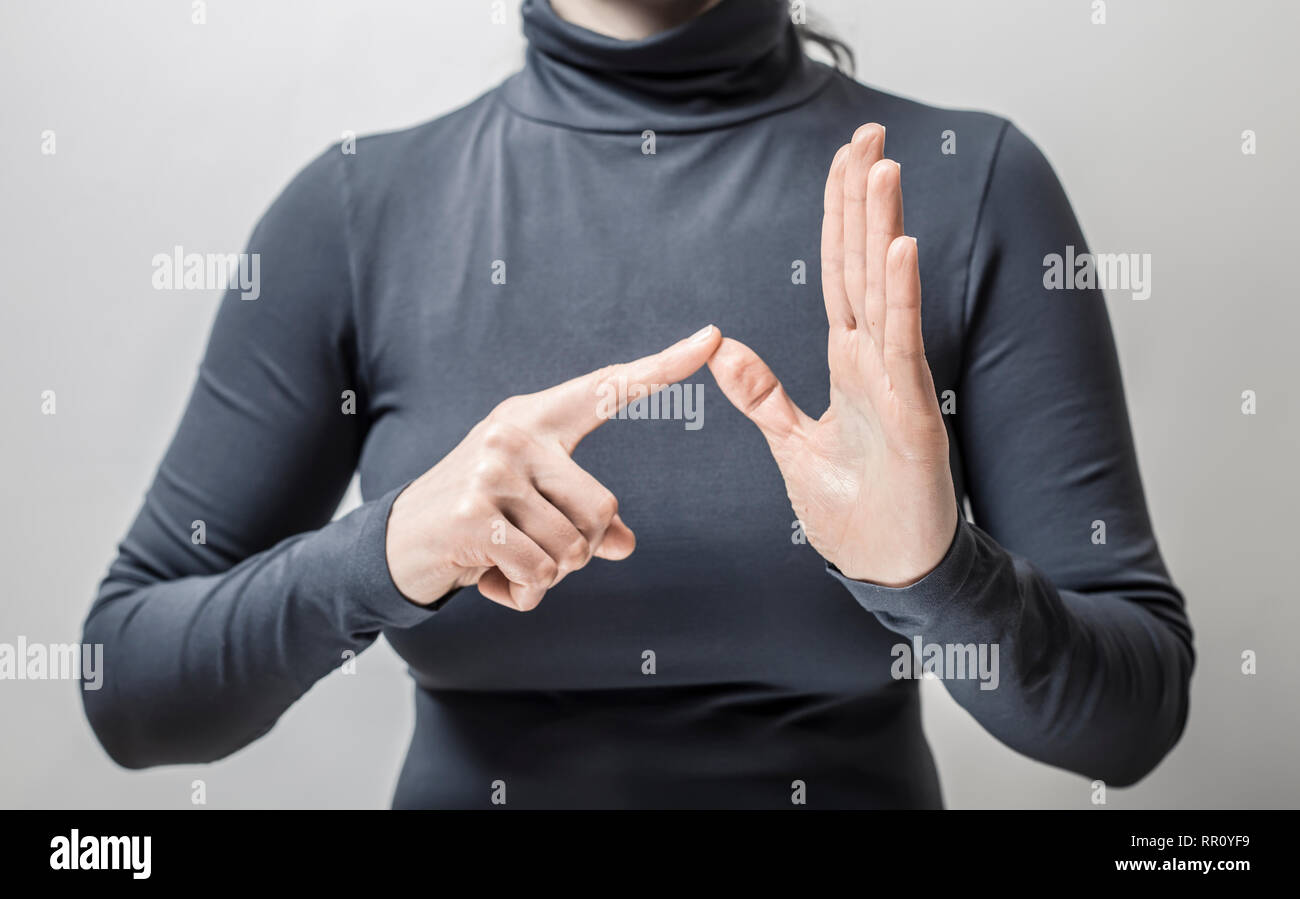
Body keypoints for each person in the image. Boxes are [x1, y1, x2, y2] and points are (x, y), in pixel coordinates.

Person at [82, 0, 1194, 808]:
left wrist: (937, 574)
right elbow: (130, 688)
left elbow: (1130, 722)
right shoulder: (356, 213)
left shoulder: (963, 184)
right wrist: (381, 553)